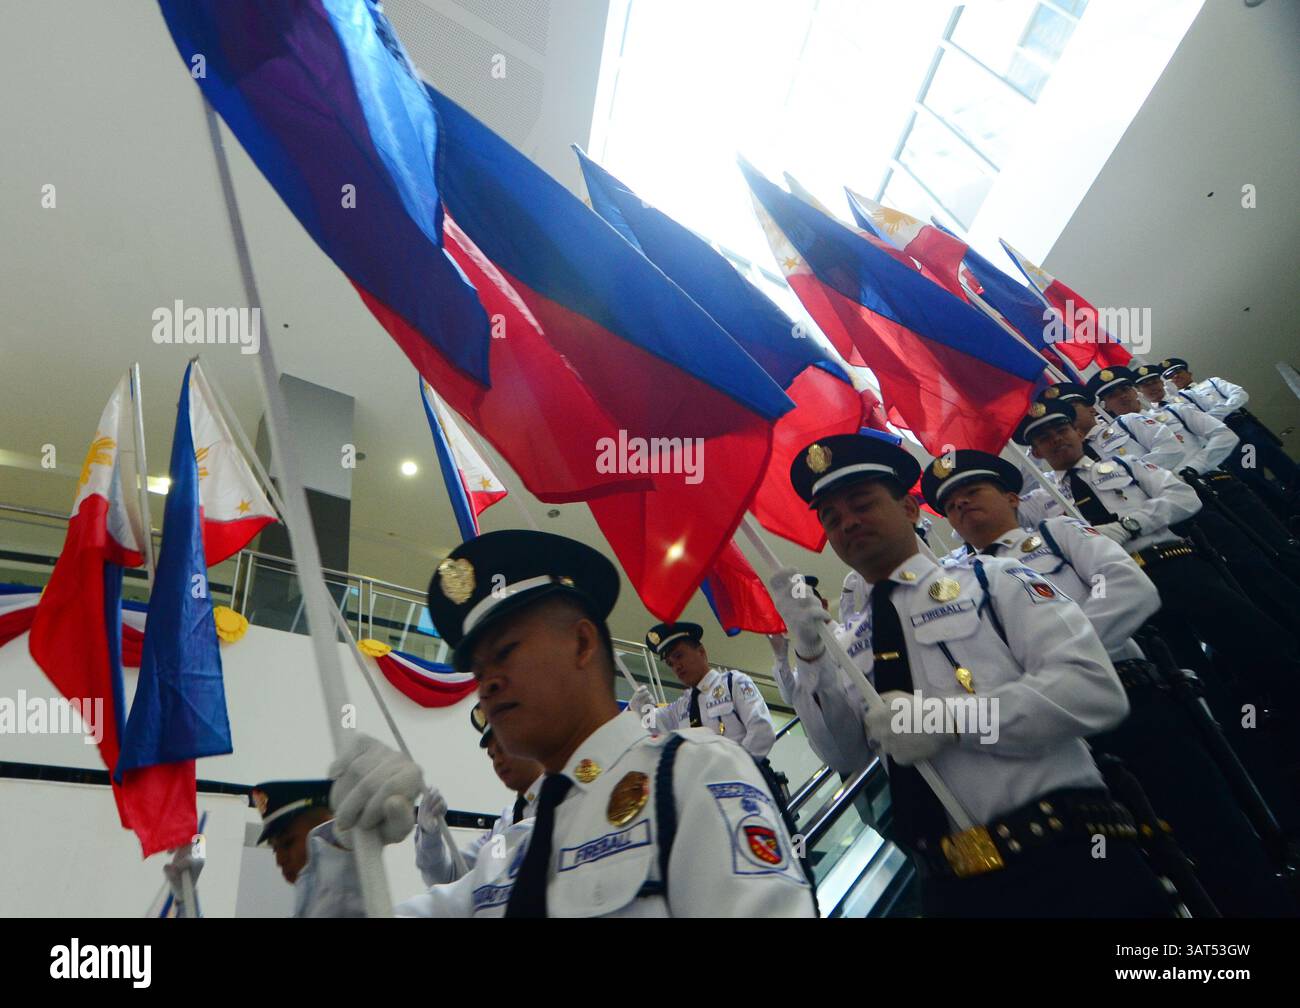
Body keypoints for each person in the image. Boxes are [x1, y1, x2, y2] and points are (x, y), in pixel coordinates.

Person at [295, 529, 816, 918]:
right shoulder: (512, 855)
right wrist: (345, 848)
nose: (488, 683)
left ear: (583, 644)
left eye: (505, 653)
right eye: (478, 671)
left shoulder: (690, 779)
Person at [769, 432, 1172, 917]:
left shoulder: (995, 580)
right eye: (831, 519)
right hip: (951, 886)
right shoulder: (848, 643)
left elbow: (1093, 691)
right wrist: (811, 656)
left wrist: (948, 720)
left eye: (861, 503)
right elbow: (843, 752)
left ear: (910, 510)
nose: (847, 522)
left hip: (1066, 855)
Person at [924, 449, 1297, 916]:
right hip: (1058, 737)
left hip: (1133, 700)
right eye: (951, 505)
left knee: (1214, 833)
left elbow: (1126, 587)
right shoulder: (956, 586)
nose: (961, 507)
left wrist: (1060, 661)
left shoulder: (1058, 535)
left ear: (1012, 497)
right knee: (1138, 872)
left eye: (971, 493)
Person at [412, 703, 544, 886]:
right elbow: (448, 879)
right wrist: (430, 836)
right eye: (492, 755)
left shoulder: (562, 801)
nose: (497, 761)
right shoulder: (503, 826)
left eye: (502, 749)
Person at [634, 622, 776, 759]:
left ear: (701, 652)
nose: (676, 666)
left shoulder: (732, 682)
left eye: (679, 656)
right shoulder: (681, 706)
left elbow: (762, 731)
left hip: (741, 779)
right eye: (670, 663)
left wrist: (735, 772)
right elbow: (654, 727)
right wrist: (643, 708)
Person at [1041, 379, 1182, 471]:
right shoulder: (1074, 456)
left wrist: (1130, 475)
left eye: (1072, 407)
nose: (1069, 415)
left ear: (1092, 409)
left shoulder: (1128, 423)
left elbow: (1171, 449)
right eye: (1062, 413)